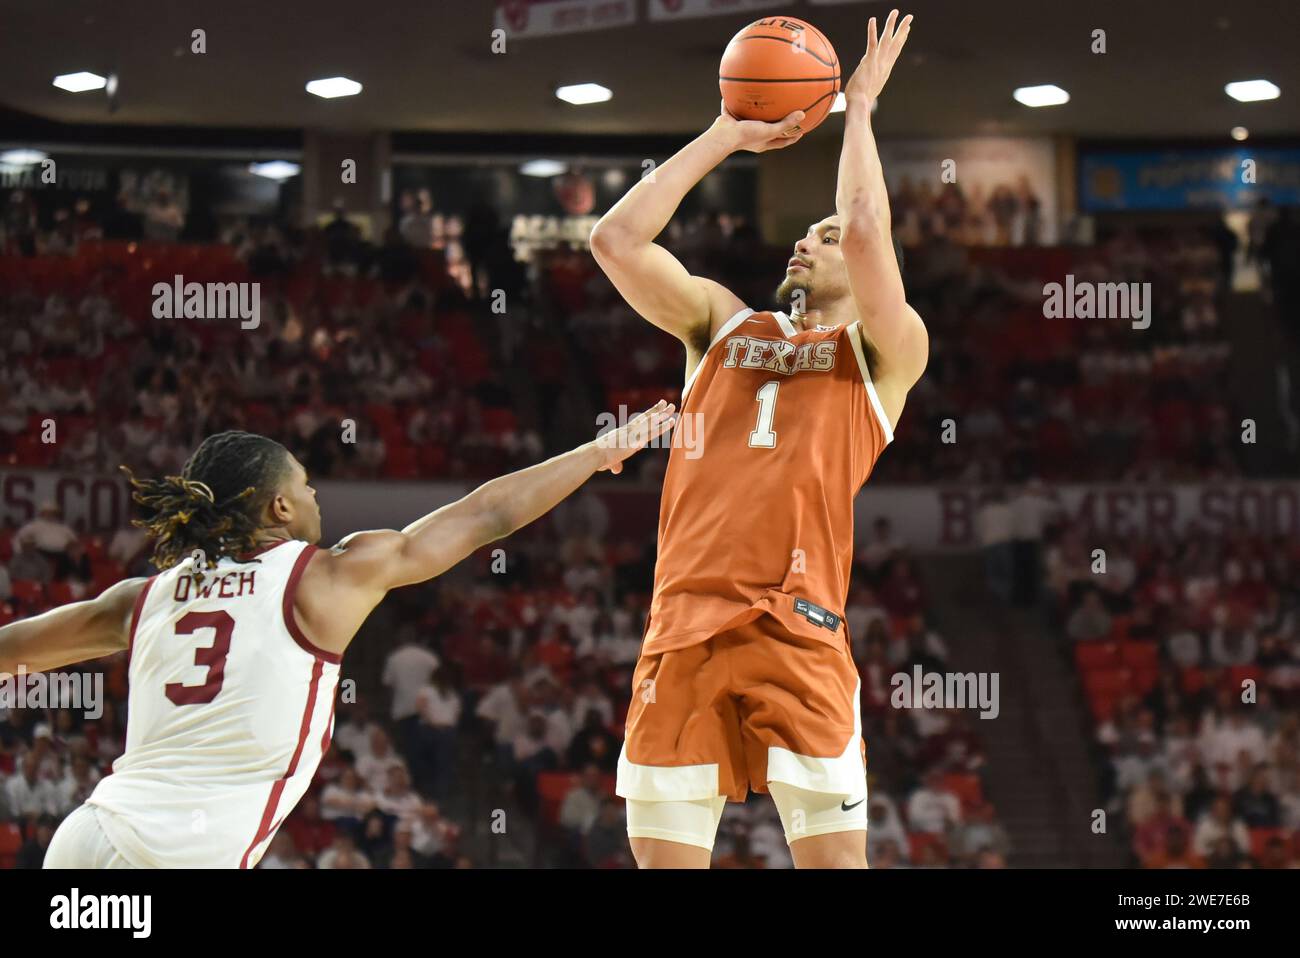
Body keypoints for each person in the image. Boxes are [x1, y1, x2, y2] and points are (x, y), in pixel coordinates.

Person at [3, 406, 672, 869]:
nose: (317, 492)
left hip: (86, 835)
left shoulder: (141, 597)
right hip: (171, 857)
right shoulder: (324, 577)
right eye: (306, 483)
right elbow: (485, 516)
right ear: (280, 507)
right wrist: (595, 453)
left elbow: (15, 649)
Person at [590, 11, 925, 869]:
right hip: (682, 627)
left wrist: (858, 111)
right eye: (802, 233)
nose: (807, 242)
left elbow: (864, 228)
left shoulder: (884, 353)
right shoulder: (719, 324)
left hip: (799, 628)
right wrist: (724, 134)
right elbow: (616, 241)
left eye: (822, 236)